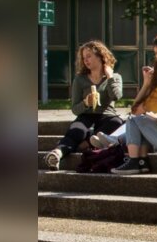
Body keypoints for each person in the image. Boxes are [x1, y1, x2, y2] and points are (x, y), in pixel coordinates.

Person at [91, 32, 157, 149]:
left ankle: (114, 141)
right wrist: (146, 83)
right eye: (156, 53)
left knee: (137, 119)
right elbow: (136, 107)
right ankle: (113, 139)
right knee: (134, 117)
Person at [44, 41, 124, 170]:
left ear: (100, 56)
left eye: (89, 56)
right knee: (76, 130)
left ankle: (85, 144)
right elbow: (75, 109)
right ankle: (57, 154)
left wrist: (109, 76)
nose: (85, 60)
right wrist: (86, 103)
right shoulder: (80, 79)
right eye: (83, 57)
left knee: (117, 122)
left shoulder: (115, 77)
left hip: (107, 116)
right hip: (86, 115)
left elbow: (116, 96)